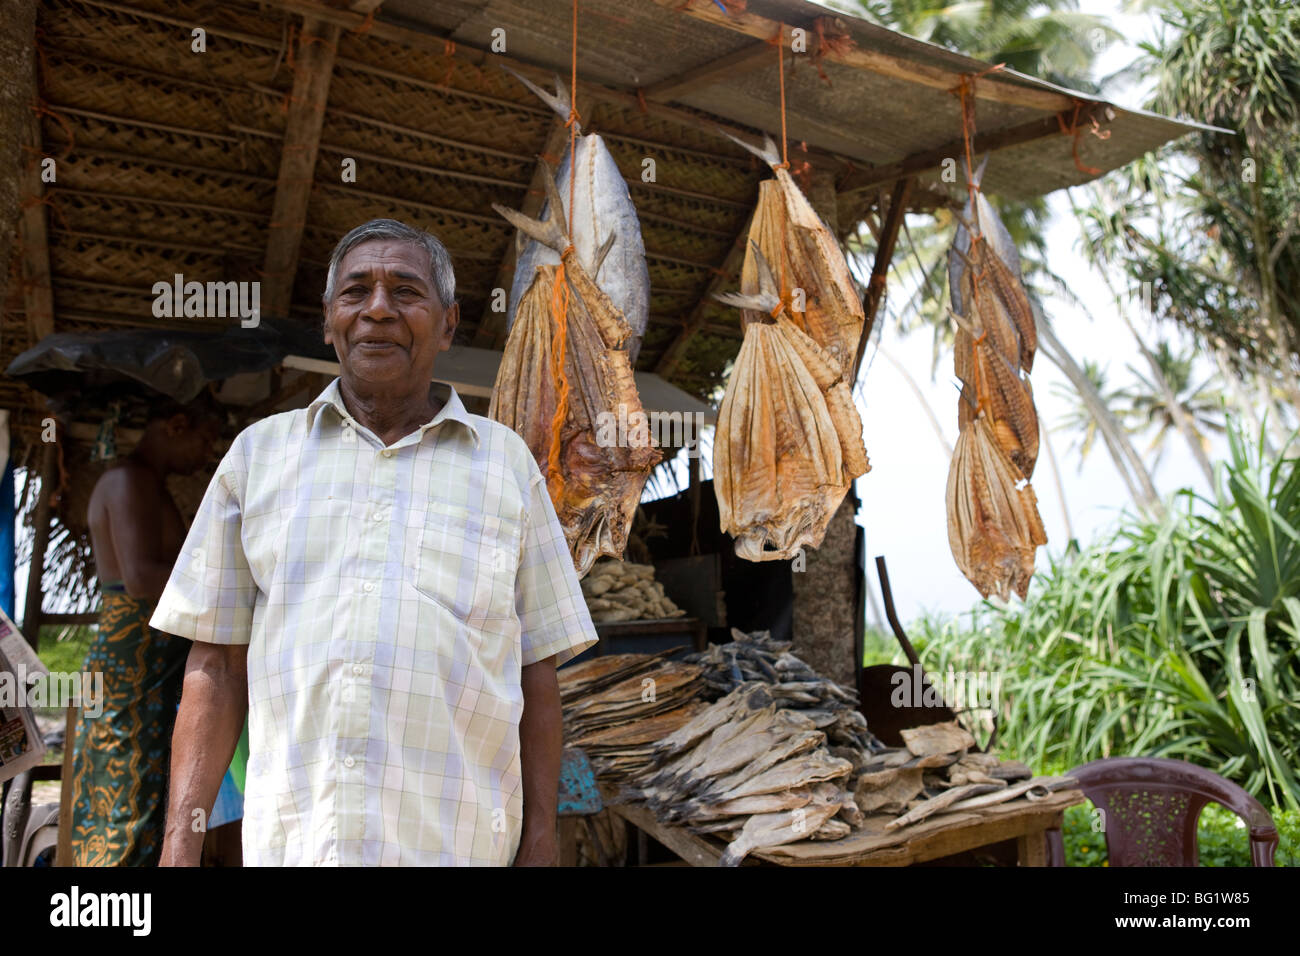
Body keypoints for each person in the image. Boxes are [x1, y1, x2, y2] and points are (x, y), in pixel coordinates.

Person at [154, 219, 598, 866]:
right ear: (330, 322)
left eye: (406, 291)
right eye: (355, 291)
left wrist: (540, 840)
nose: (379, 309)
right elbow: (214, 667)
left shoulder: (507, 467)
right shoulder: (258, 458)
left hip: (459, 848)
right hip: (297, 847)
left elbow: (539, 669)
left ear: (447, 325)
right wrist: (179, 846)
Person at [70, 395, 221, 866]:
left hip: (136, 659)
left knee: (132, 779)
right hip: (133, 657)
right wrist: (222, 586)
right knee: (126, 785)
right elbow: (140, 577)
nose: (205, 456)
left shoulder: (140, 482)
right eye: (205, 440)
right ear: (177, 425)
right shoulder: (129, 481)